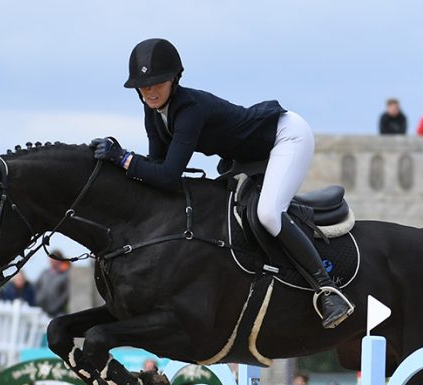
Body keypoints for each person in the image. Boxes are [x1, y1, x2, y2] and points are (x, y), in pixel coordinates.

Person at [89, 38, 353, 329]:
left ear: (174, 80)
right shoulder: (153, 113)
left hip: (286, 137)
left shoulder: (189, 109)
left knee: (267, 213)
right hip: (247, 157)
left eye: (157, 82)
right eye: (143, 85)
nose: (150, 90)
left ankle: (328, 291)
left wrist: (123, 158)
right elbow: (154, 167)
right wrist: (117, 162)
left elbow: (167, 176)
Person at [38, 252, 71, 317]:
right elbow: (38, 287)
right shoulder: (44, 273)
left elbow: (66, 293)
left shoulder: (65, 275)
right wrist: (39, 299)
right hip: (42, 309)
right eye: (51, 259)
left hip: (57, 312)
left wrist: (56, 305)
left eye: (54, 259)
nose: (52, 261)